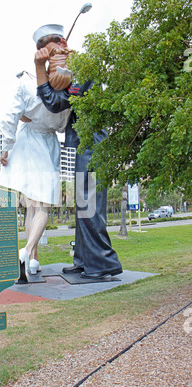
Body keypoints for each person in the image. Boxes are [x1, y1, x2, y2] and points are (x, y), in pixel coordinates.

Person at [33, 24, 122, 279]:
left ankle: (103, 263)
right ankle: (84, 260)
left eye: (48, 52)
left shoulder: (77, 70)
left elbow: (54, 102)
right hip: (87, 145)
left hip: (93, 145)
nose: (50, 58)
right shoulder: (74, 68)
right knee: (83, 205)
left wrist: (40, 70)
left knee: (90, 204)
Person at [0, 51, 71, 284]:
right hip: (47, 145)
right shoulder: (66, 99)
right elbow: (61, 128)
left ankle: (34, 260)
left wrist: (6, 147)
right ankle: (28, 252)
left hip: (26, 144)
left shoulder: (28, 88)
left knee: (31, 207)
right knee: (42, 207)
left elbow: (9, 117)